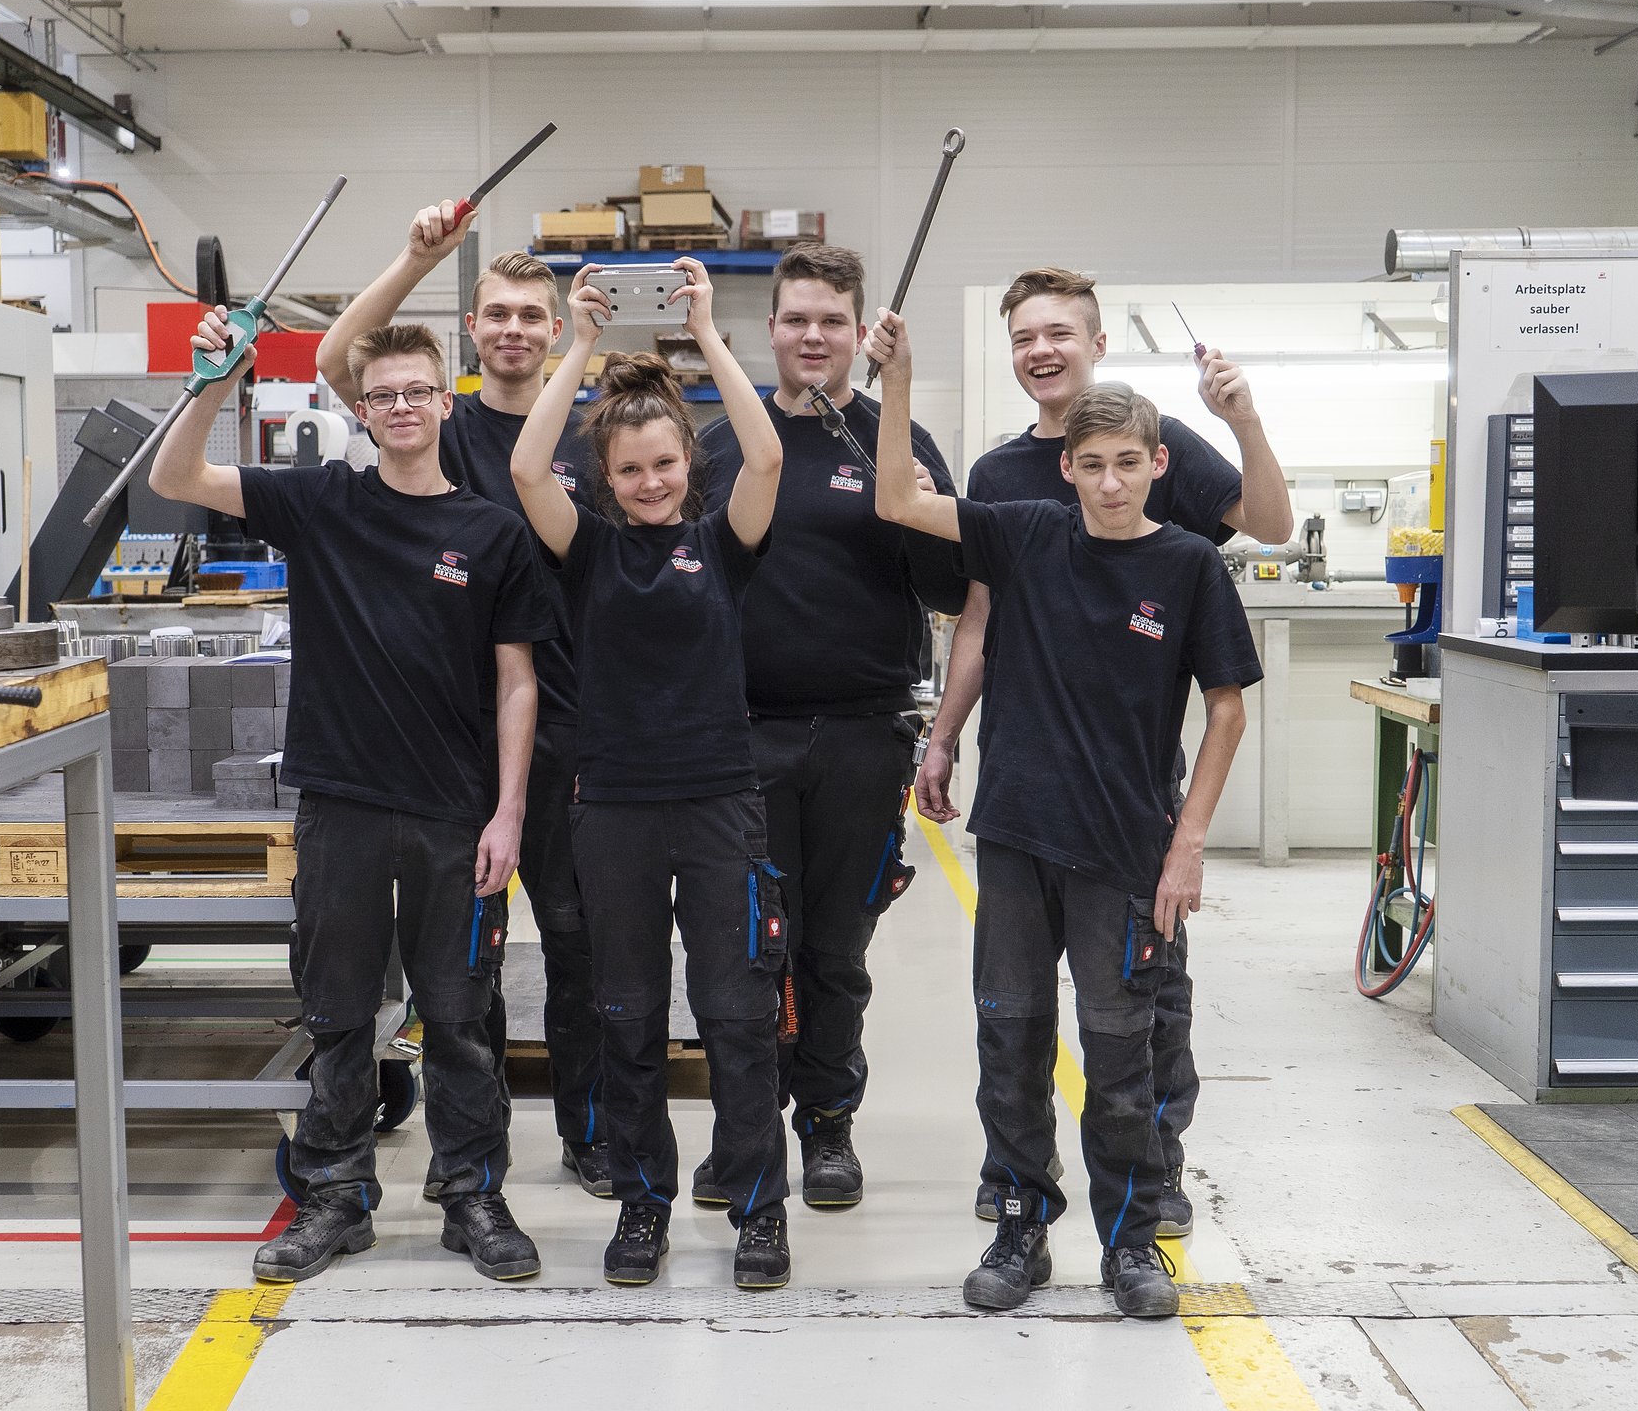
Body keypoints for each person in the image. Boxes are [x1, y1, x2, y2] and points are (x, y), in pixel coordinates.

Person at [867, 307, 1260, 1318]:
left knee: (1118, 1050)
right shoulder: (1025, 532)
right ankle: (1019, 1226)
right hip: (1015, 838)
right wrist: (899, 380)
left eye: (1127, 461)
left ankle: (1130, 1242)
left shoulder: (1185, 567)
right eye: (1090, 462)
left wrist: (1186, 846)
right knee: (1009, 1038)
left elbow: (1224, 713)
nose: (1109, 481)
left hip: (1124, 850)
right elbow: (897, 497)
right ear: (1069, 469)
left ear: (1156, 462)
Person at [152, 316, 561, 1285]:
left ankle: (471, 1194)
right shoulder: (319, 502)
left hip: (454, 811)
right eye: (383, 395)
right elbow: (176, 477)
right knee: (336, 1011)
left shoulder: (490, 530)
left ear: (444, 399)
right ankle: (334, 1193)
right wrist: (213, 377)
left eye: (419, 390)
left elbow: (517, 683)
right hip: (339, 804)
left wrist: (508, 812)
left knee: (459, 1014)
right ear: (361, 409)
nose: (403, 408)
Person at [315, 207, 612, 1198]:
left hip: (565, 725)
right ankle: (469, 1157)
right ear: (471, 333)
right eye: (497, 315)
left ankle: (586, 1130)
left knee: (572, 940)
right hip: (446, 743)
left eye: (534, 314)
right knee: (461, 968)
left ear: (555, 329)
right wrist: (416, 258)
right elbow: (333, 357)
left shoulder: (592, 427)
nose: (516, 330)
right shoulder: (439, 415)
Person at [509, 258, 791, 1290]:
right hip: (613, 810)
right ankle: (641, 1202)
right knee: (626, 1013)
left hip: (720, 803)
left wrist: (711, 335)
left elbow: (762, 458)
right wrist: (573, 343)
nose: (649, 481)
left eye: (663, 463)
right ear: (607, 478)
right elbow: (527, 471)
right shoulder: (584, 550)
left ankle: (760, 1210)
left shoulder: (722, 545)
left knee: (733, 1014)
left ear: (684, 461)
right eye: (629, 470)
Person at [696, 244, 965, 1208]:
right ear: (770, 328)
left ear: (861, 333)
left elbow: (946, 585)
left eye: (833, 322)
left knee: (835, 953)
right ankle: (748, 1137)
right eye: (797, 319)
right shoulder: (723, 441)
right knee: (751, 950)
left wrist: (898, 436)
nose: (814, 337)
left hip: (861, 739)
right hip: (744, 739)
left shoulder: (899, 436)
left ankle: (829, 1130)